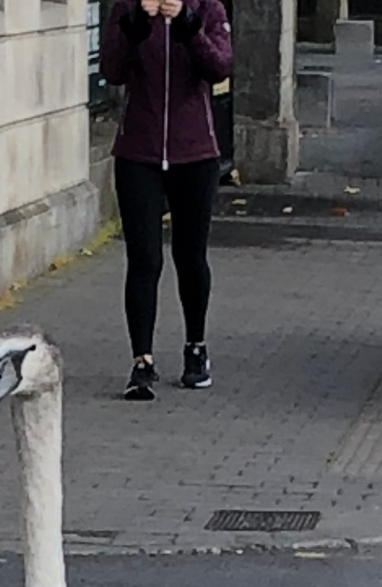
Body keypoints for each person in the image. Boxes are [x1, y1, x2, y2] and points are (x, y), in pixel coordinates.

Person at [100, 0, 233, 401]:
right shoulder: (128, 8)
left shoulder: (208, 8)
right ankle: (142, 360)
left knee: (190, 256)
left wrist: (188, 25)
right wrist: (137, 24)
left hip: (195, 152)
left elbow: (220, 67)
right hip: (138, 152)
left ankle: (196, 347)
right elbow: (112, 69)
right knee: (144, 258)